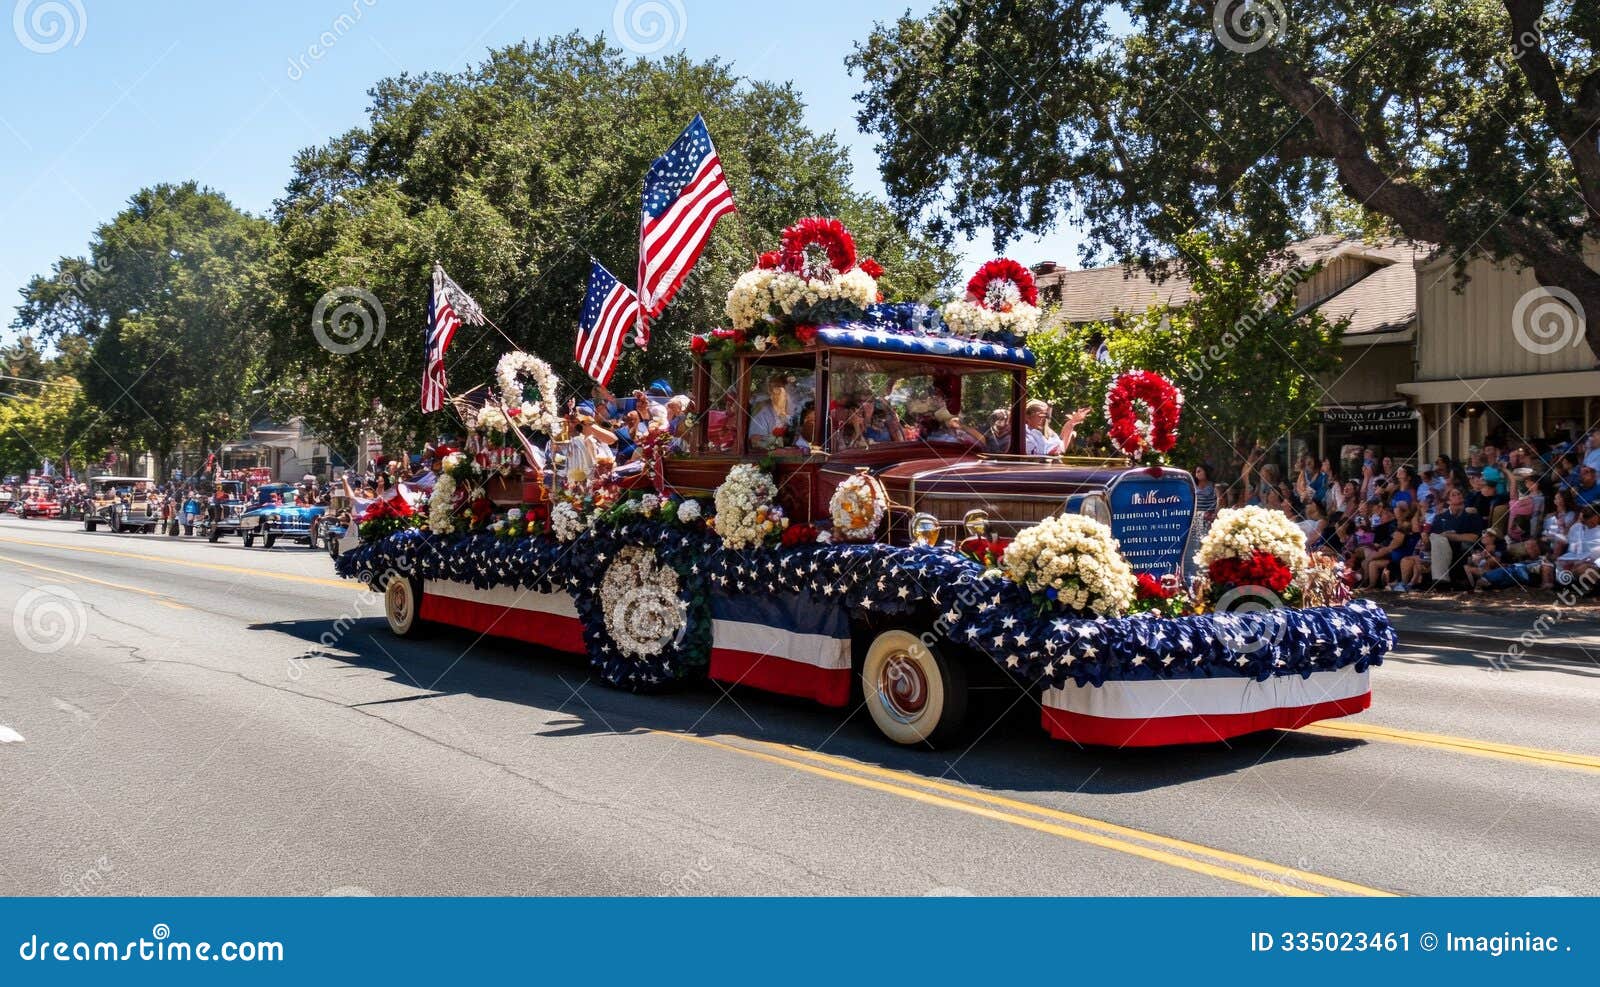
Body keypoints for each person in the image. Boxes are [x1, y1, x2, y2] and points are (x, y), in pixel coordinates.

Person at [1429, 488, 1486, 586]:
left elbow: (1473, 538)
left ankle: (1440, 579)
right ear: (1448, 501)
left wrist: (1449, 536)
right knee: (1435, 539)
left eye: (1459, 493)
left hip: (1463, 549)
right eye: (1453, 495)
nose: (1458, 496)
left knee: (1440, 539)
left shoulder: (1471, 514)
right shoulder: (1440, 517)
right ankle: (1440, 579)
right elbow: (1434, 537)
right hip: (1441, 548)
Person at [1023, 400, 1088, 456]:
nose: (1044, 419)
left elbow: (1061, 449)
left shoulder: (1049, 433)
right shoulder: (1022, 434)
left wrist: (1073, 422)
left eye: (1046, 416)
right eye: (1040, 416)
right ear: (1027, 416)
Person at [748, 373, 795, 450]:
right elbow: (754, 440)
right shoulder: (763, 413)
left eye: (784, 389)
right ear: (770, 392)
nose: (782, 393)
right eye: (776, 389)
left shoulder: (794, 408)